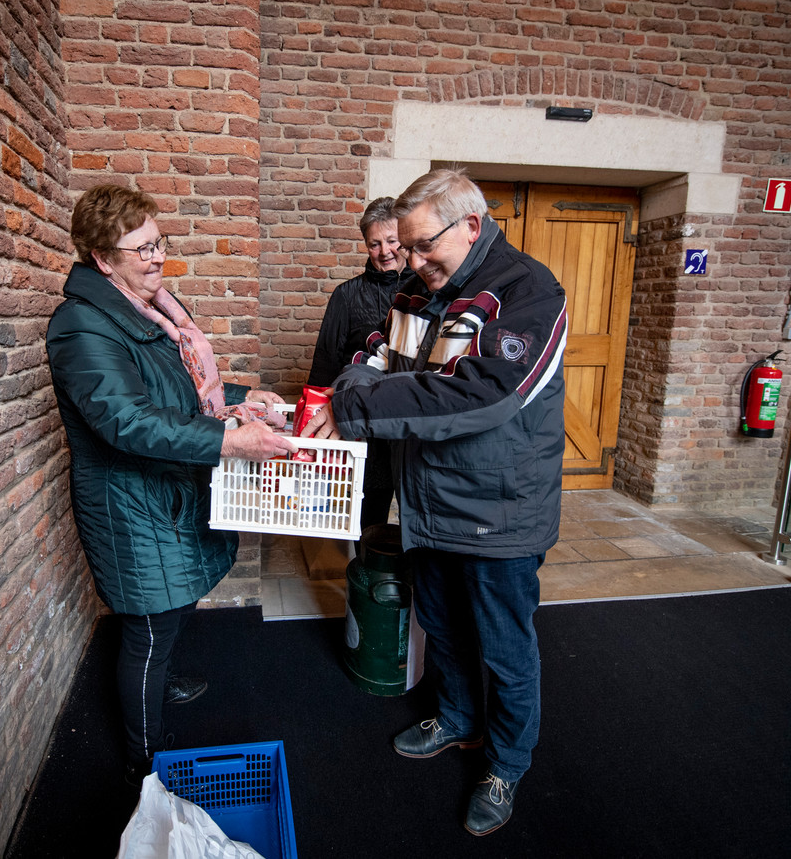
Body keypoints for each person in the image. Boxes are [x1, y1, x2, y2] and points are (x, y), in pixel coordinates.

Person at [303, 169, 567, 836]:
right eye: (408, 249)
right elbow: (375, 355)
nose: (413, 263)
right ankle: (456, 720)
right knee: (444, 628)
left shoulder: (530, 292)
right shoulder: (423, 292)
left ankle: (506, 764)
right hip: (429, 503)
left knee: (505, 648)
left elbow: (483, 395)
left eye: (424, 248)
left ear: (471, 225)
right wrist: (349, 388)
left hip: (498, 511)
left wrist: (354, 407)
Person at [47, 184, 292, 785]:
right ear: (103, 260)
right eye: (142, 250)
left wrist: (242, 401)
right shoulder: (81, 326)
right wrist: (230, 440)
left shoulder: (148, 306)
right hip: (130, 505)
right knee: (150, 624)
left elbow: (181, 394)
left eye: (160, 244)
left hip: (164, 493)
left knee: (168, 609)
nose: (158, 259)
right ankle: (146, 758)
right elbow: (124, 420)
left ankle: (160, 681)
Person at [306, 196, 413, 530]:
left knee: (418, 511)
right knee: (370, 517)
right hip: (366, 427)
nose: (385, 252)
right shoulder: (347, 296)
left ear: (405, 238)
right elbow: (325, 363)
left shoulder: (425, 288)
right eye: (374, 244)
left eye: (392, 241)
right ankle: (368, 576)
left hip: (414, 421)